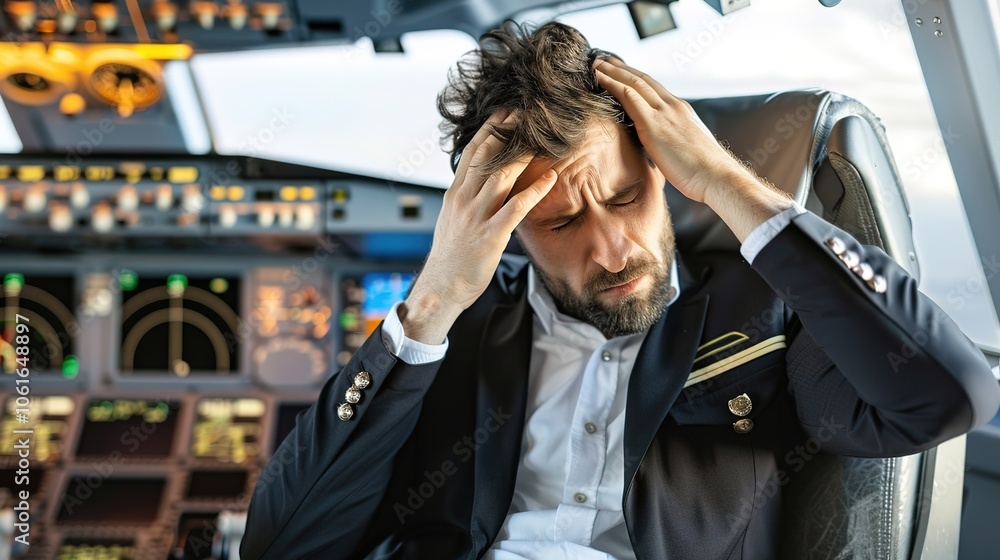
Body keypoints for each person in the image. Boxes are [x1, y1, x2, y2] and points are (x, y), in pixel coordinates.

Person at [240, 21, 1000, 560]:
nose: (610, 249)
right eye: (561, 222)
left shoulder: (764, 308)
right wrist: (433, 302)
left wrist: (724, 182)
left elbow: (947, 396)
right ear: (503, 230)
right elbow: (286, 542)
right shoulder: (451, 340)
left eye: (629, 194)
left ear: (665, 172)